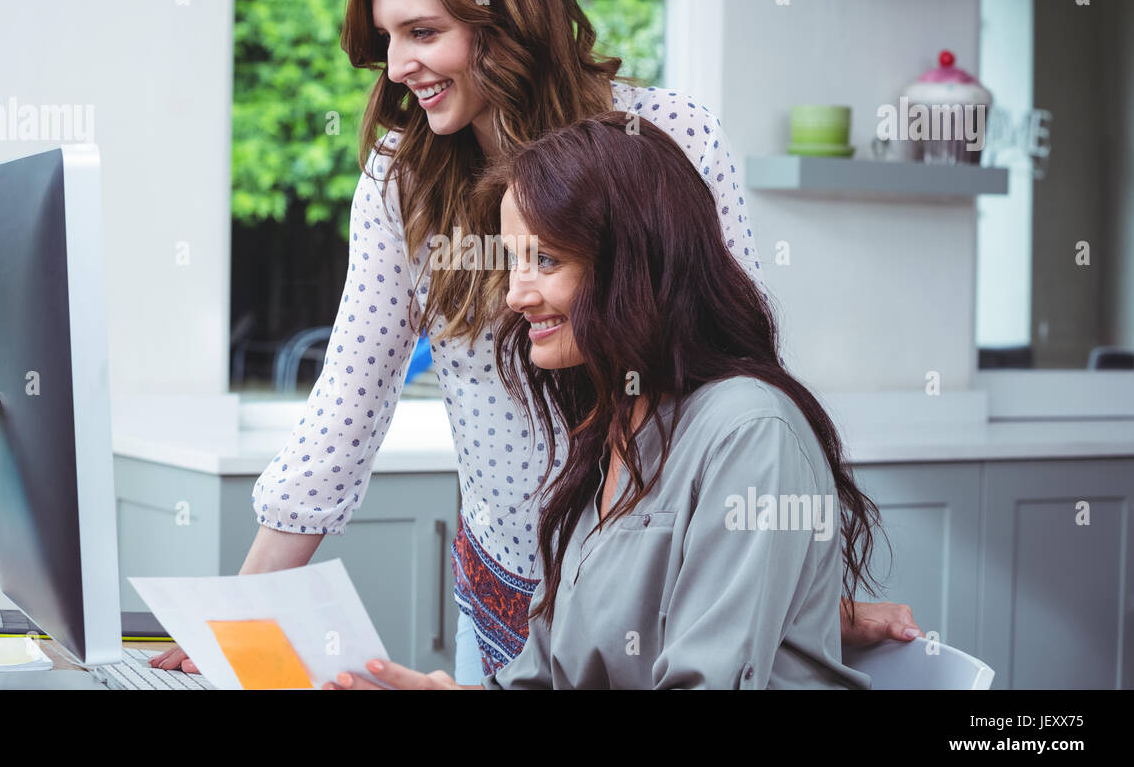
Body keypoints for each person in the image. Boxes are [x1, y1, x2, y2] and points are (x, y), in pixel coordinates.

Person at [153, 0, 921, 682]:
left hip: (668, 572)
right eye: (387, 38)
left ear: (505, 21)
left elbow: (735, 366)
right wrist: (236, 620)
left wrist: (777, 578)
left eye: (424, 33)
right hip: (522, 583)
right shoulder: (404, 184)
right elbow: (345, 409)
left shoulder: (666, 139)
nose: (396, 66)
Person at [325, 112, 881, 689]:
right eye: (514, 261)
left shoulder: (750, 432)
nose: (515, 295)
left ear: (633, 262)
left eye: (545, 261)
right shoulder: (609, 431)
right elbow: (551, 679)